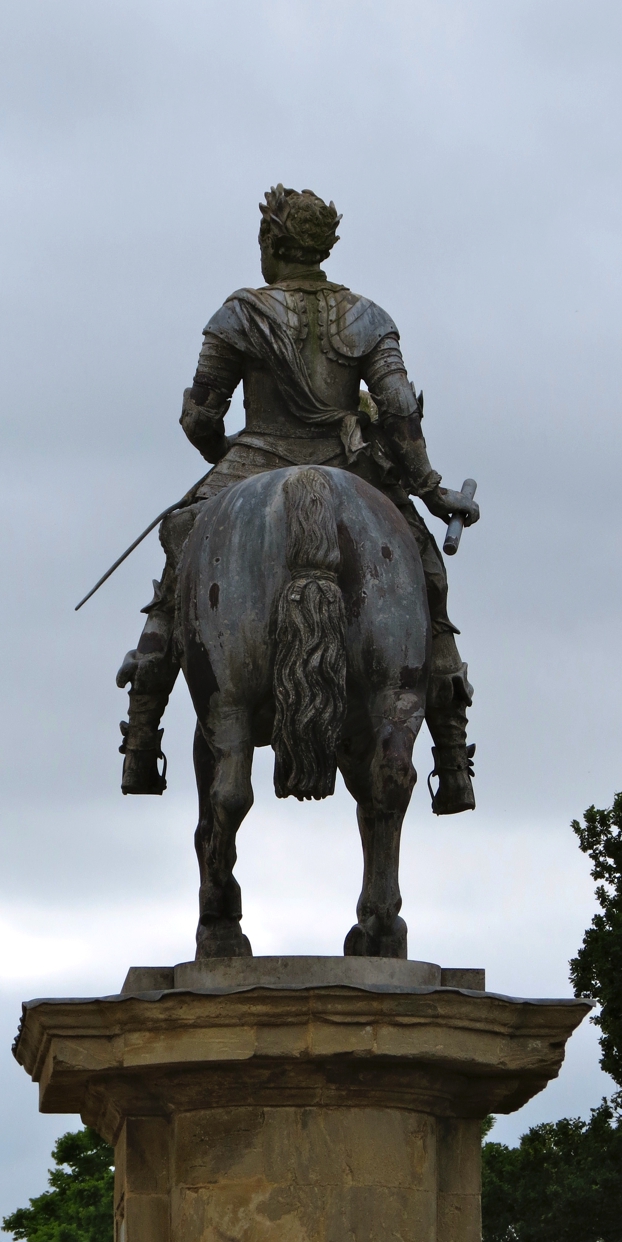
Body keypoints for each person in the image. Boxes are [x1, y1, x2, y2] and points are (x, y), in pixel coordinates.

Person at [116, 185, 479, 814]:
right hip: (350, 463)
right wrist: (428, 489)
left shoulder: (239, 313)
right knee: (427, 572)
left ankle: (142, 736)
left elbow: (201, 416)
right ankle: (451, 753)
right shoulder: (368, 316)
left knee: (178, 565)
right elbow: (397, 412)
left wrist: (229, 461)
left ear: (271, 244)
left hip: (253, 457)